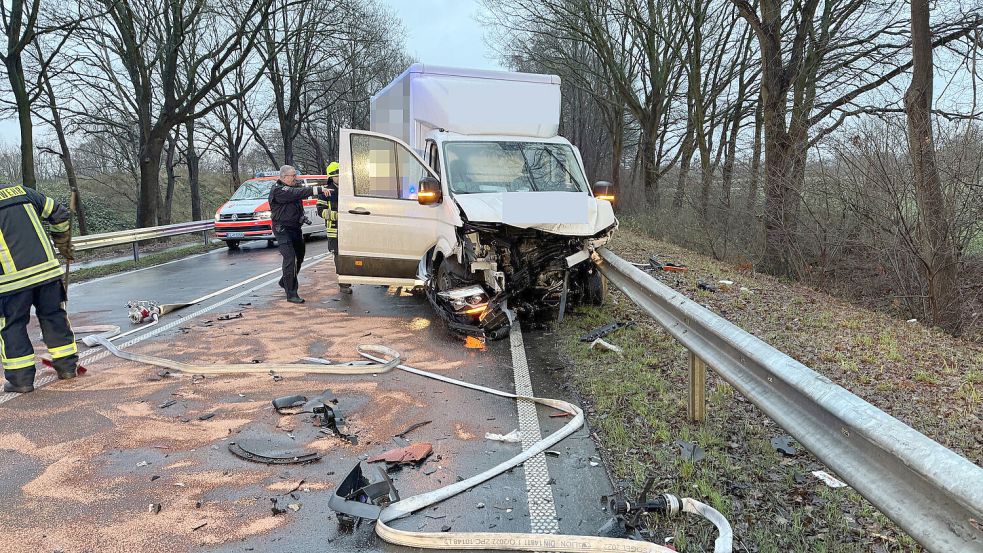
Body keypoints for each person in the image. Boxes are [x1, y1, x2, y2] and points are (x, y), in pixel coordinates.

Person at [0, 183, 78, 393]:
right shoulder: (22, 192)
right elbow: (59, 212)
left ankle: (21, 380)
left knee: (12, 326)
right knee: (54, 316)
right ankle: (68, 368)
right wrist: (62, 241)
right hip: (48, 273)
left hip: (11, 282)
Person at [269, 165, 328, 304]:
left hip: (295, 228)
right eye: (293, 175)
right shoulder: (278, 190)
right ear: (284, 177)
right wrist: (318, 189)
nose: (296, 178)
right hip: (282, 229)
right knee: (290, 258)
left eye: (296, 175)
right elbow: (296, 193)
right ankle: (291, 293)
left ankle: (285, 281)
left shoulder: (294, 186)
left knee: (299, 257)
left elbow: (299, 193)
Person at [315, 161, 352, 295]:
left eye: (340, 175)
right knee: (339, 257)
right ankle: (344, 284)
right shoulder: (326, 192)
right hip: (334, 229)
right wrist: (338, 215)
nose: (339, 177)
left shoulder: (349, 189)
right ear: (331, 177)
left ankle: (349, 278)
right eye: (336, 175)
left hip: (349, 228)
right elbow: (320, 211)